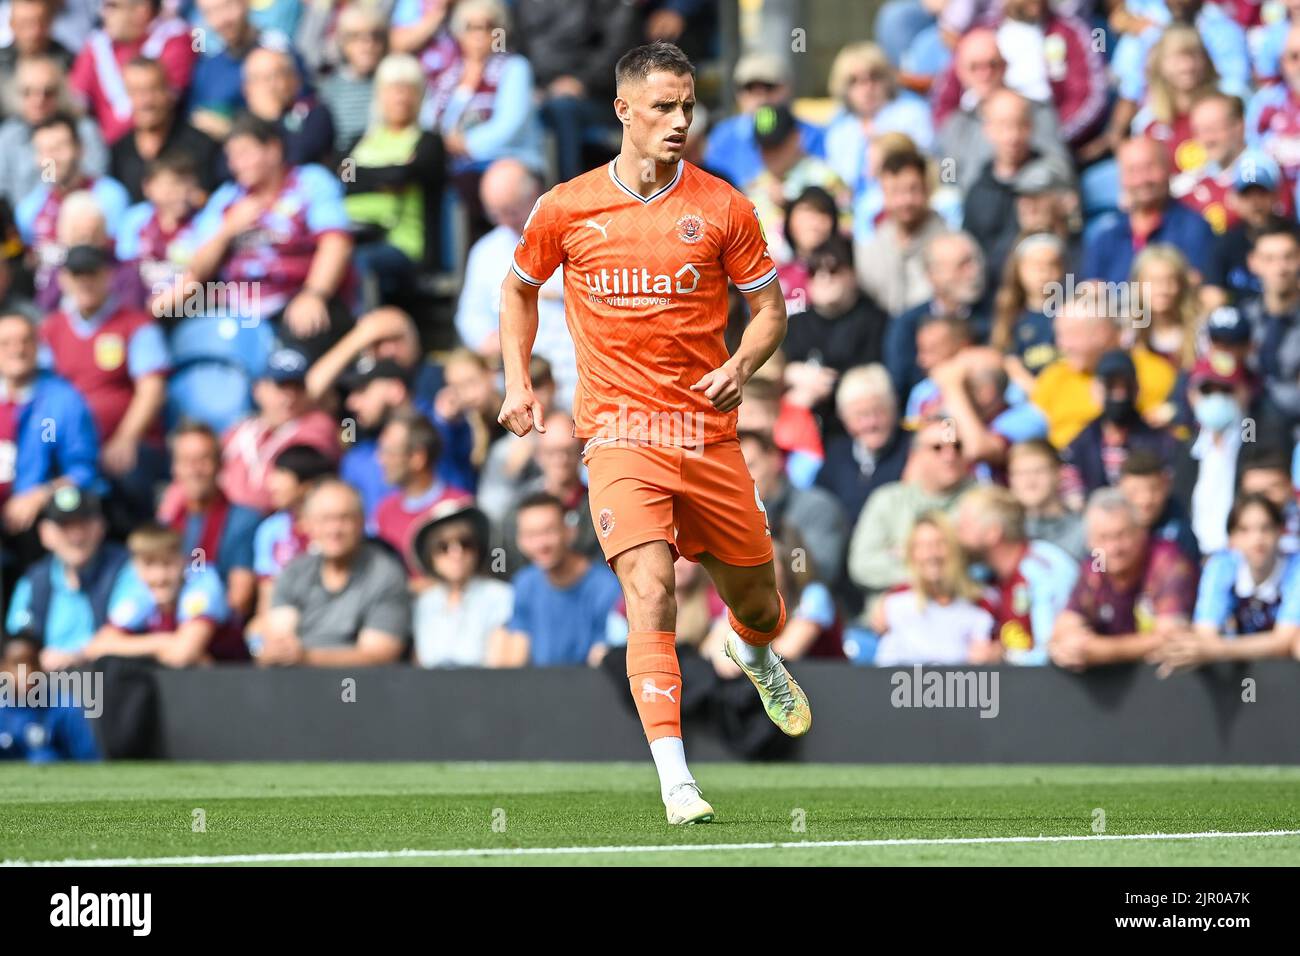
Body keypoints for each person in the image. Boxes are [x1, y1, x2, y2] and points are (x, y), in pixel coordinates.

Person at [498, 42, 804, 826]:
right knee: (650, 589)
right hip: (619, 432)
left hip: (707, 434)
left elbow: (771, 308)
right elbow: (519, 289)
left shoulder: (726, 206)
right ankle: (677, 781)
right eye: (663, 107)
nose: (678, 121)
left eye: (688, 106)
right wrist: (517, 380)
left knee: (761, 602)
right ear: (624, 110)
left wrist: (742, 363)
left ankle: (754, 651)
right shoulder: (566, 206)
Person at [174, 115, 353, 355]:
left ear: (273, 150)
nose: (237, 164)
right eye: (232, 157)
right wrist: (228, 229)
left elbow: (336, 244)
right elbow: (198, 268)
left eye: (245, 153)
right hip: (236, 310)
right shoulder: (226, 198)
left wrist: (314, 294)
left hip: (296, 301)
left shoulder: (311, 181)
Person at [42, 243, 170, 523]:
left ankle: (137, 552)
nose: (85, 281)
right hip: (71, 447)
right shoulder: (51, 329)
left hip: (124, 442)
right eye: (77, 274)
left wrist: (125, 438)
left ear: (108, 276)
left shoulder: (136, 325)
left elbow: (152, 390)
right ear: (63, 280)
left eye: (92, 273)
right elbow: (41, 392)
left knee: (130, 475)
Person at [423, 0, 544, 244]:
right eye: (470, 27)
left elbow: (510, 125)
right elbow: (427, 120)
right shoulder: (449, 76)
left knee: (468, 184)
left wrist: (465, 144)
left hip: (507, 159)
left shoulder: (514, 67)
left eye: (487, 26)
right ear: (458, 33)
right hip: (455, 163)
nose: (479, 34)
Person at [455, 159, 574, 406]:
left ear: (534, 195)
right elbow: (469, 318)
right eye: (495, 213)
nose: (505, 221)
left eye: (511, 210)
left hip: (573, 379)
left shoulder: (572, 237)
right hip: (518, 388)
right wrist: (488, 340)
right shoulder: (485, 251)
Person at [259, 479, 410, 666]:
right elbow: (278, 635)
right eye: (325, 519)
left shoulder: (386, 575)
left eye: (344, 518)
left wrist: (306, 658)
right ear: (308, 524)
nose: (334, 529)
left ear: (361, 522)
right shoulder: (294, 572)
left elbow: (380, 655)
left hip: (359, 688)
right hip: (294, 684)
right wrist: (272, 651)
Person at [1049, 488, 1199, 671]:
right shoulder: (1098, 563)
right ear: (1089, 542)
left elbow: (1171, 636)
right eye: (1103, 538)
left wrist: (1101, 651)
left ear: (1142, 532)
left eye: (1122, 535)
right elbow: (1064, 625)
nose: (1113, 548)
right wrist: (1066, 646)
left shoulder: (1167, 560)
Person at [1152, 494, 1300, 674]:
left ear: (1280, 531)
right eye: (1244, 530)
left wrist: (1216, 651)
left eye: (1266, 528)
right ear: (1232, 538)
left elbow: (1284, 641)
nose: (1257, 539)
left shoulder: (1296, 569)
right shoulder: (1220, 566)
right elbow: (1205, 632)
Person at [342, 52, 445, 307]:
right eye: (393, 89)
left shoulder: (429, 141)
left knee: (359, 261)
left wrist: (364, 173)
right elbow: (341, 176)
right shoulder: (359, 139)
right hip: (350, 234)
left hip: (403, 246)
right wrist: (389, 176)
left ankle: (365, 334)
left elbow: (402, 175)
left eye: (408, 89)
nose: (400, 97)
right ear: (379, 94)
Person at [846, 417, 974, 608]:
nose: (950, 456)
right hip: (890, 622)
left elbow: (979, 566)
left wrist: (904, 556)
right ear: (916, 455)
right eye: (937, 448)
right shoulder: (888, 500)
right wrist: (931, 569)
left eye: (957, 446)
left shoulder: (979, 500)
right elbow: (862, 566)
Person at [5, 487, 131, 670]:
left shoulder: (124, 568)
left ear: (101, 526)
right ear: (45, 533)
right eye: (65, 526)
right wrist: (25, 659)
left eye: (84, 524)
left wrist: (76, 656)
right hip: (47, 687)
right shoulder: (34, 580)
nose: (76, 536)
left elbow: (127, 629)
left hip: (110, 684)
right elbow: (19, 635)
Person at [490, 491, 621, 667]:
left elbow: (604, 654)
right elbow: (517, 655)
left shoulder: (606, 586)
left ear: (569, 532)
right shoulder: (524, 583)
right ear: (519, 540)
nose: (540, 544)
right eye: (530, 535)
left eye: (548, 531)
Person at [0, 312, 101, 539]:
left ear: (38, 346)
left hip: (39, 516)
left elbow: (83, 471)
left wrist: (40, 495)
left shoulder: (63, 400)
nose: (17, 350)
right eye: (5, 343)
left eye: (25, 341)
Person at [955, 484, 1078, 664]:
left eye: (965, 524)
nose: (957, 532)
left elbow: (1050, 651)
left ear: (993, 533)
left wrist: (1003, 657)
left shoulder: (1041, 569)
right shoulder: (981, 574)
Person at [780, 235, 887, 435]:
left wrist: (825, 385)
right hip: (797, 427)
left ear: (853, 274)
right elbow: (766, 372)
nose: (823, 278)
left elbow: (878, 375)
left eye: (833, 270)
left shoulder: (877, 321)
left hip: (852, 429)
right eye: (814, 271)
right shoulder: (793, 324)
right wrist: (789, 373)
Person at [87, 523, 232, 665]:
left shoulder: (202, 583)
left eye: (167, 564)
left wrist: (128, 647)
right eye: (149, 564)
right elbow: (97, 648)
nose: (159, 577)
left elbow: (183, 654)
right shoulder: (139, 591)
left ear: (183, 561)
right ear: (135, 567)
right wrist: (163, 642)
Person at [157, 419, 260, 619]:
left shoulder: (244, 520)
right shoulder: (168, 523)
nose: (195, 470)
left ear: (220, 465)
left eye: (203, 460)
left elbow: (240, 600)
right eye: (186, 461)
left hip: (217, 626)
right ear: (175, 468)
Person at [217, 346, 341, 512]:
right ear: (258, 389)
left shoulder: (318, 426)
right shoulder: (239, 431)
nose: (290, 397)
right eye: (281, 386)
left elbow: (284, 488)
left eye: (298, 388)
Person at [1081, 136, 1216, 285]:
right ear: (1121, 177)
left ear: (1168, 168)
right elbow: (1090, 292)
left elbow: (1198, 286)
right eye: (1133, 170)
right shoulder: (1106, 237)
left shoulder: (1194, 228)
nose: (1142, 180)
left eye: (1150, 167)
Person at [870, 511, 997, 667]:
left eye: (939, 544)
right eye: (922, 546)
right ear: (911, 553)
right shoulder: (894, 602)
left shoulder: (980, 605)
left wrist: (996, 653)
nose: (931, 554)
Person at [68, 0, 195, 145]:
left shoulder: (175, 39)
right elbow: (76, 102)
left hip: (162, 145)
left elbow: (164, 101)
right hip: (108, 153)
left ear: (141, 11)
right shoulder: (97, 45)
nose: (103, 13)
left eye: (112, 6)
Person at [883, 229, 987, 399]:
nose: (974, 272)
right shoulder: (907, 325)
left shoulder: (996, 314)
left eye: (974, 262)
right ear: (933, 275)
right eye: (962, 265)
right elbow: (898, 385)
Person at [410, 500, 513, 667]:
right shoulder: (425, 603)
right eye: (443, 546)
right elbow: (420, 663)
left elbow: (499, 667)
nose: (456, 553)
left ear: (478, 550)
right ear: (431, 557)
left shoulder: (500, 596)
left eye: (466, 543)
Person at [739, 430, 847, 586]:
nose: (744, 478)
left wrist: (787, 546)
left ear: (775, 459)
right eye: (736, 472)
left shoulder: (815, 507)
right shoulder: (735, 518)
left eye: (751, 466)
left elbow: (815, 575)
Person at [0, 55, 108, 209]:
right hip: (23, 225)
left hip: (80, 217)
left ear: (61, 93)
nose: (38, 100)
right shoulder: (9, 136)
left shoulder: (83, 130)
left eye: (47, 92)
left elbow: (97, 181)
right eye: (28, 92)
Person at [373, 409, 471, 577]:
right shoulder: (384, 511)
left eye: (388, 452)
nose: (380, 460)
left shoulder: (460, 508)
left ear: (417, 458)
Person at [109, 56, 220, 204]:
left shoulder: (201, 145)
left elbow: (216, 203)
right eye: (136, 92)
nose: (146, 101)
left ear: (169, 92)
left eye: (153, 90)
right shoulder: (119, 152)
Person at [854, 149, 948, 318]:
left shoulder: (948, 243)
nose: (906, 200)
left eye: (913, 189)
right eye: (895, 191)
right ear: (883, 193)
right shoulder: (871, 247)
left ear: (927, 189)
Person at [815, 364, 911, 521]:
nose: (871, 423)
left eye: (879, 412)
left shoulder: (912, 449)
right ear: (844, 418)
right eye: (860, 415)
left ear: (894, 408)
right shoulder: (836, 456)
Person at [0, 638, 100, 761]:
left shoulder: (63, 707)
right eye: (17, 664)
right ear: (3, 667)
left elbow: (89, 761)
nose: (26, 672)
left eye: (32, 662)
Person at [990, 232, 1065, 381]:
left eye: (1051, 265)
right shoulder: (1011, 315)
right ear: (1018, 270)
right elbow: (1010, 363)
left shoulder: (1071, 311)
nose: (1044, 273)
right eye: (1036, 266)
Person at [1007, 439, 1086, 560]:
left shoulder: (1086, 530)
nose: (1029, 481)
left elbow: (1101, 570)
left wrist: (1096, 572)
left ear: (1059, 474)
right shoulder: (1003, 534)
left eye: (1038, 471)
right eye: (1020, 473)